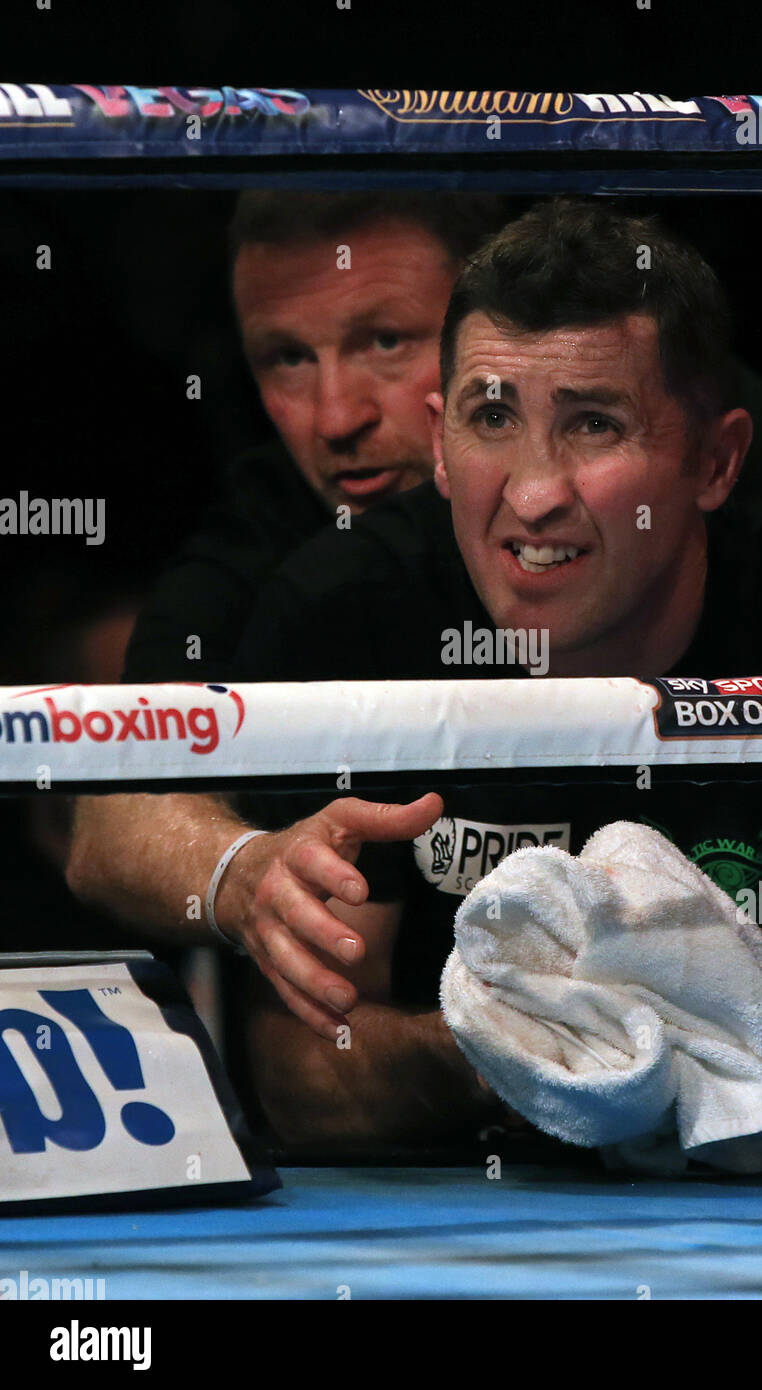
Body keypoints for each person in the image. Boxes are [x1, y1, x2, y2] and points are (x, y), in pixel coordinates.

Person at [215, 199, 762, 1158]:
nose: (534, 495)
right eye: (491, 416)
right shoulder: (346, 616)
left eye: (593, 426)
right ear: (440, 439)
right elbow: (298, 1067)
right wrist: (515, 1048)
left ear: (716, 460)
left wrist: (667, 1025)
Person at [67, 191, 511, 940]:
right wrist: (240, 872)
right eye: (289, 358)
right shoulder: (270, 523)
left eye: (386, 341)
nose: (336, 418)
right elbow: (109, 815)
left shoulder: (694, 451)